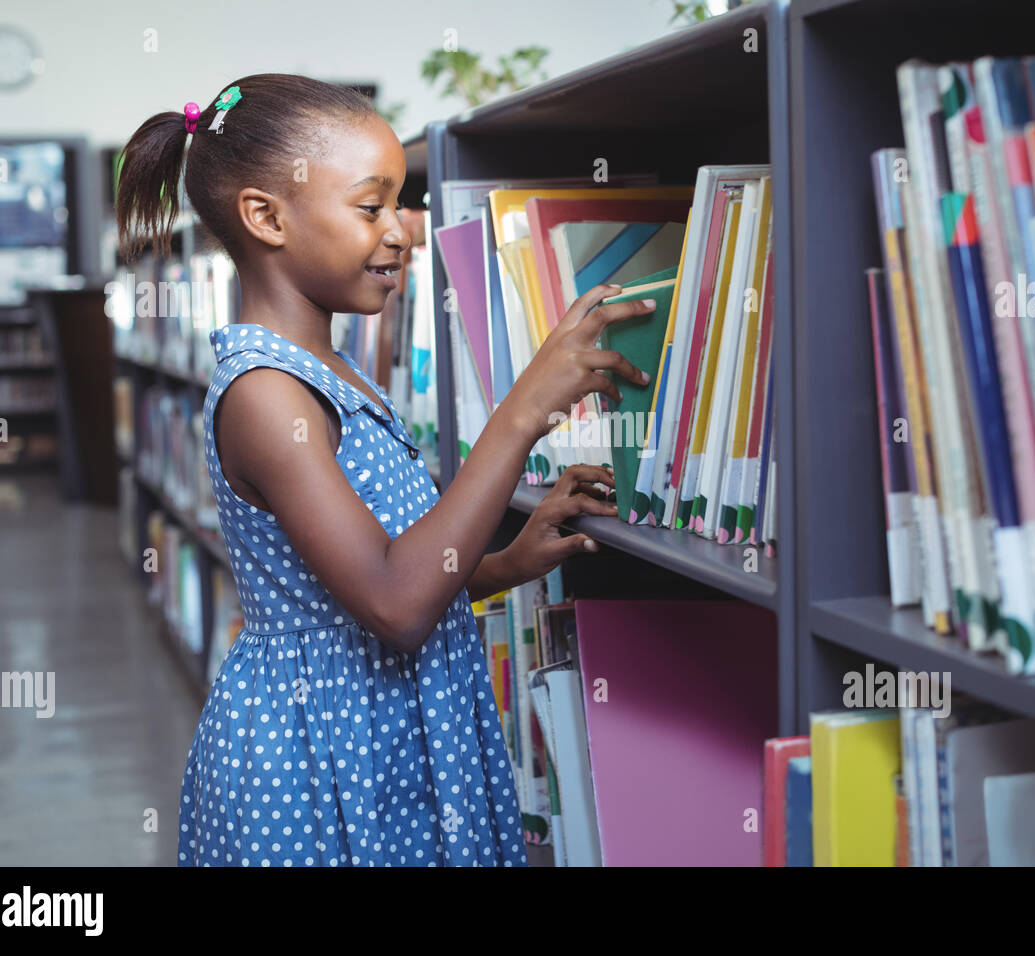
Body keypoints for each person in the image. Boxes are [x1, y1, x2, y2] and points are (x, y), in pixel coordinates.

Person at [114, 73, 654, 866]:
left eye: (401, 203)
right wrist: (523, 410)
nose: (401, 230)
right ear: (266, 216)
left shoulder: (334, 368)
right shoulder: (269, 396)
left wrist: (505, 561)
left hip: (388, 734)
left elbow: (386, 564)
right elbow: (395, 604)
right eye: (371, 207)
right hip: (320, 761)